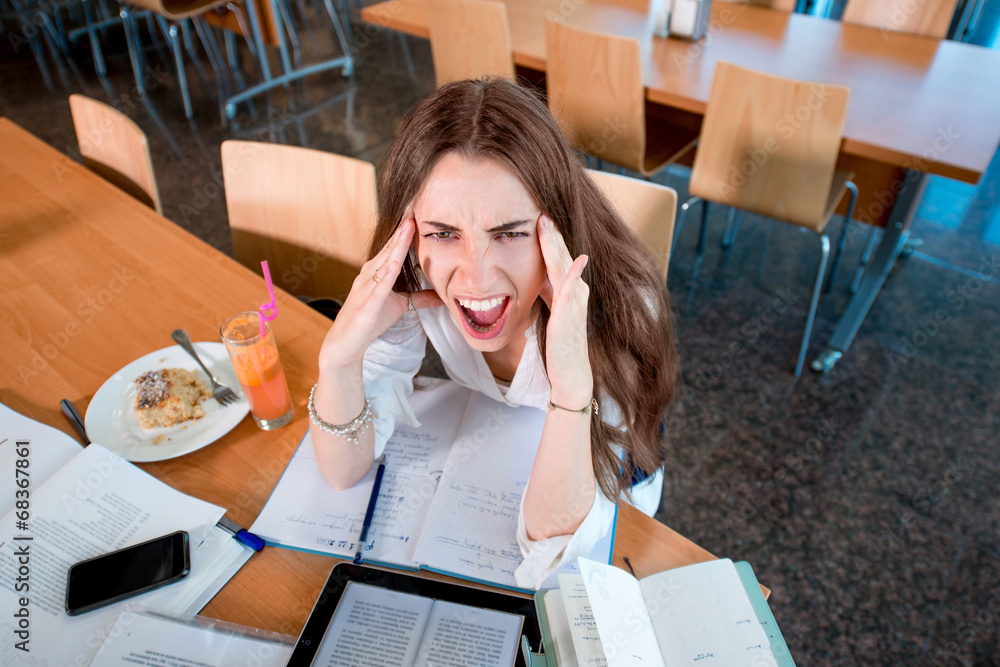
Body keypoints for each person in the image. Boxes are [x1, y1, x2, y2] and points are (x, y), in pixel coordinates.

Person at [308, 78, 678, 588]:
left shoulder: (621, 309)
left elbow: (551, 544)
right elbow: (342, 470)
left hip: (611, 479)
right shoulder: (415, 275)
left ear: (558, 228)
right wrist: (339, 361)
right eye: (443, 233)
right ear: (410, 233)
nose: (475, 277)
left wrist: (572, 384)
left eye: (509, 234)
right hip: (505, 440)